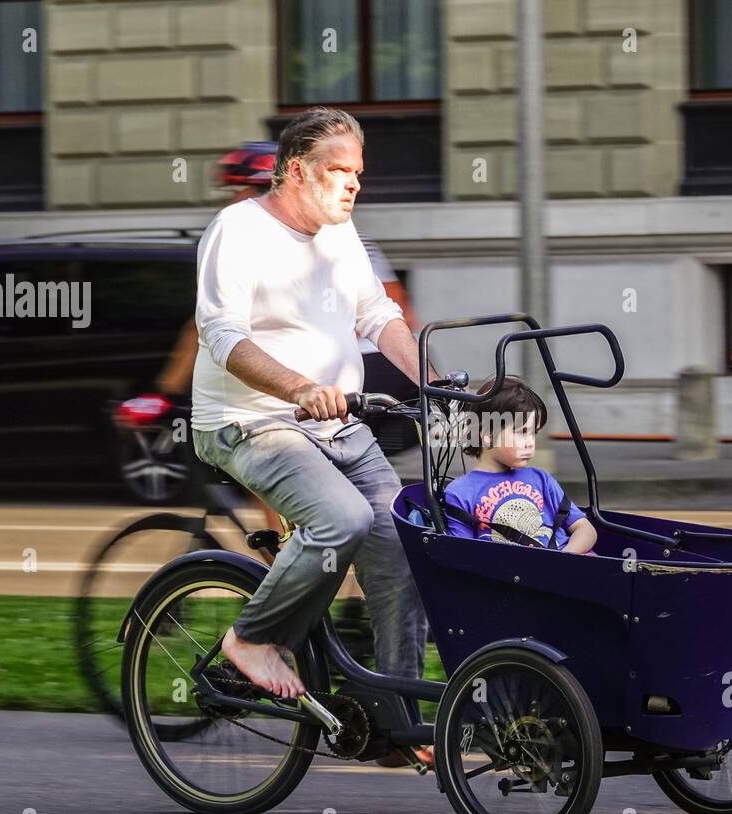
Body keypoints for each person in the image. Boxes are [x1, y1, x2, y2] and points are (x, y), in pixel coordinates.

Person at [188, 107, 438, 722]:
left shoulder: (339, 233)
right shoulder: (237, 231)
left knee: (402, 544)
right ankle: (250, 640)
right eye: (340, 170)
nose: (355, 183)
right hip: (249, 423)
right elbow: (221, 336)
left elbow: (377, 316)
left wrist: (437, 385)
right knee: (342, 518)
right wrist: (299, 387)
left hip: (337, 425)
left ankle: (394, 719)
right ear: (297, 171)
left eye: (359, 171)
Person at [443, 375, 598, 554]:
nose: (531, 442)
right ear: (488, 434)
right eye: (522, 432)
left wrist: (563, 560)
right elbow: (463, 555)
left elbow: (585, 529)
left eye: (534, 433)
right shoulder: (460, 493)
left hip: (572, 564)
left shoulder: (541, 480)